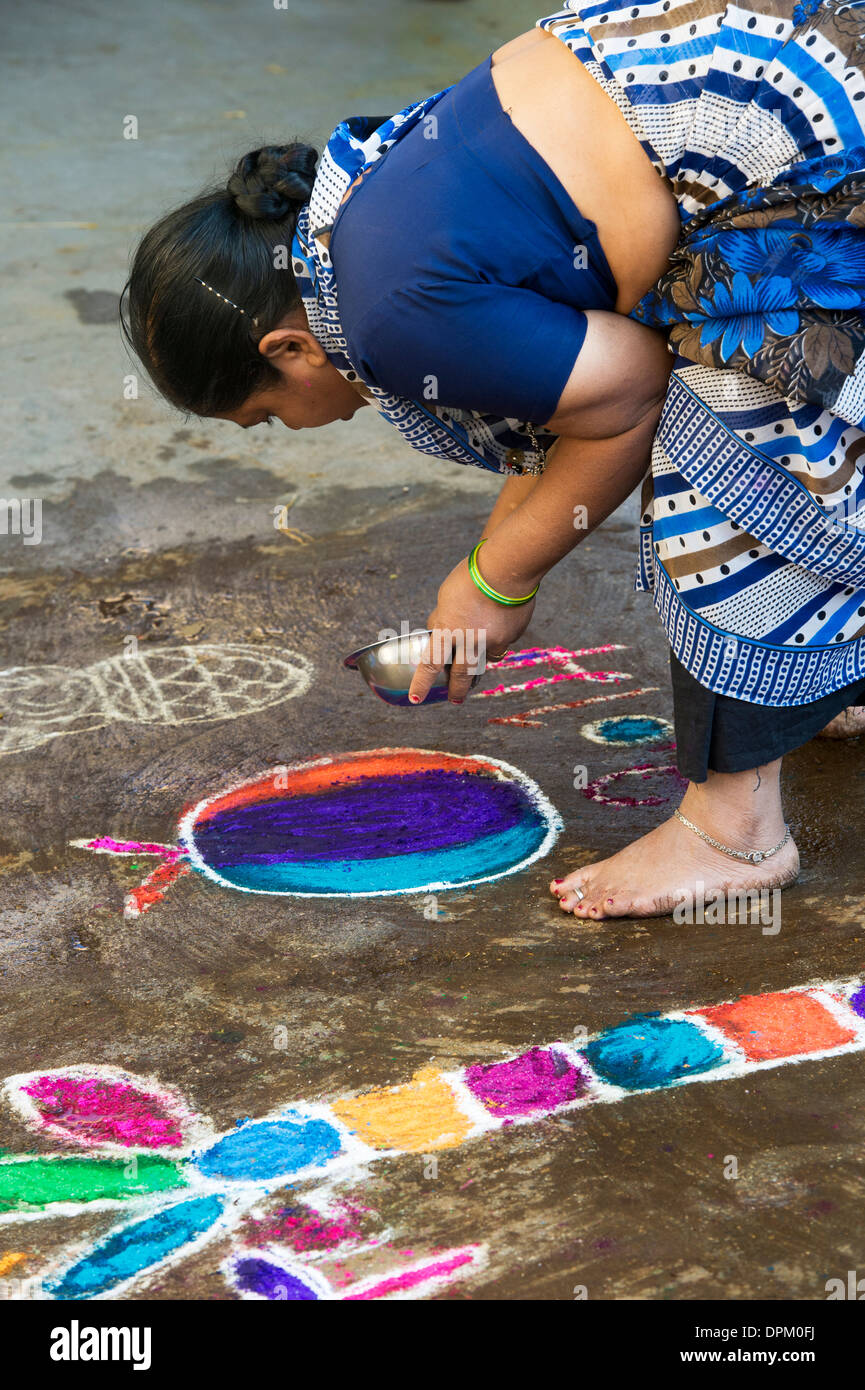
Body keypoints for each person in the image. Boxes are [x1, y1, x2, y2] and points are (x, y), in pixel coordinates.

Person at [123, 1, 865, 920]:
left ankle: (734, 834)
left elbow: (630, 390)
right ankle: (819, 683)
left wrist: (500, 582)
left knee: (733, 472)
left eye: (265, 418)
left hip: (811, 158)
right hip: (801, 68)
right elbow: (562, 405)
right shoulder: (362, 213)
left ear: (287, 350)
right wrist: (481, 579)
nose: (289, 429)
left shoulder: (385, 320)